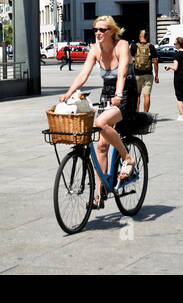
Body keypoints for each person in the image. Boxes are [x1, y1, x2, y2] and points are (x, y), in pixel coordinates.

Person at [57, 15, 138, 204]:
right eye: (96, 30)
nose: (98, 33)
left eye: (102, 30)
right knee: (101, 146)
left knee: (101, 122)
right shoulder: (94, 49)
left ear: (111, 31)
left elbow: (123, 72)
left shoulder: (122, 45)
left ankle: (128, 159)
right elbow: (83, 74)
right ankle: (100, 194)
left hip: (126, 92)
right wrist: (69, 93)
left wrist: (118, 95)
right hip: (107, 93)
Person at [165, 36, 183, 121]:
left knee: (179, 97)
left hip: (179, 78)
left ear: (178, 44)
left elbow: (175, 67)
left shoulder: (176, 54)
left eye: (175, 43)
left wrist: (168, 67)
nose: (174, 45)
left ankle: (181, 115)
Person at [131, 28, 157, 115]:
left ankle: (136, 114)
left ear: (140, 36)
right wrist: (156, 75)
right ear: (147, 37)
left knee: (137, 95)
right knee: (147, 95)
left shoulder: (134, 46)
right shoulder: (151, 46)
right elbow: (155, 61)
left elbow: (130, 60)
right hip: (148, 74)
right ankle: (145, 115)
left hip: (137, 74)